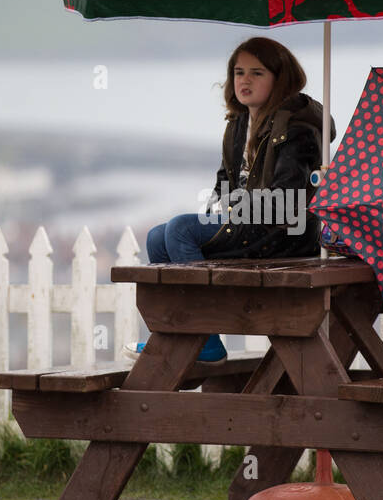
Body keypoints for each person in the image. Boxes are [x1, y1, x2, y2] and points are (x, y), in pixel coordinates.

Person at [126, 37, 333, 364]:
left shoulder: (298, 129)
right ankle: (180, 335)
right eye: (238, 72)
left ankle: (203, 340)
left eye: (257, 73)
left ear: (280, 80)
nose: (244, 80)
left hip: (283, 233)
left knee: (181, 229)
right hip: (248, 222)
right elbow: (226, 179)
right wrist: (224, 208)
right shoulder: (239, 124)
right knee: (156, 235)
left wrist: (236, 211)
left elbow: (288, 202)